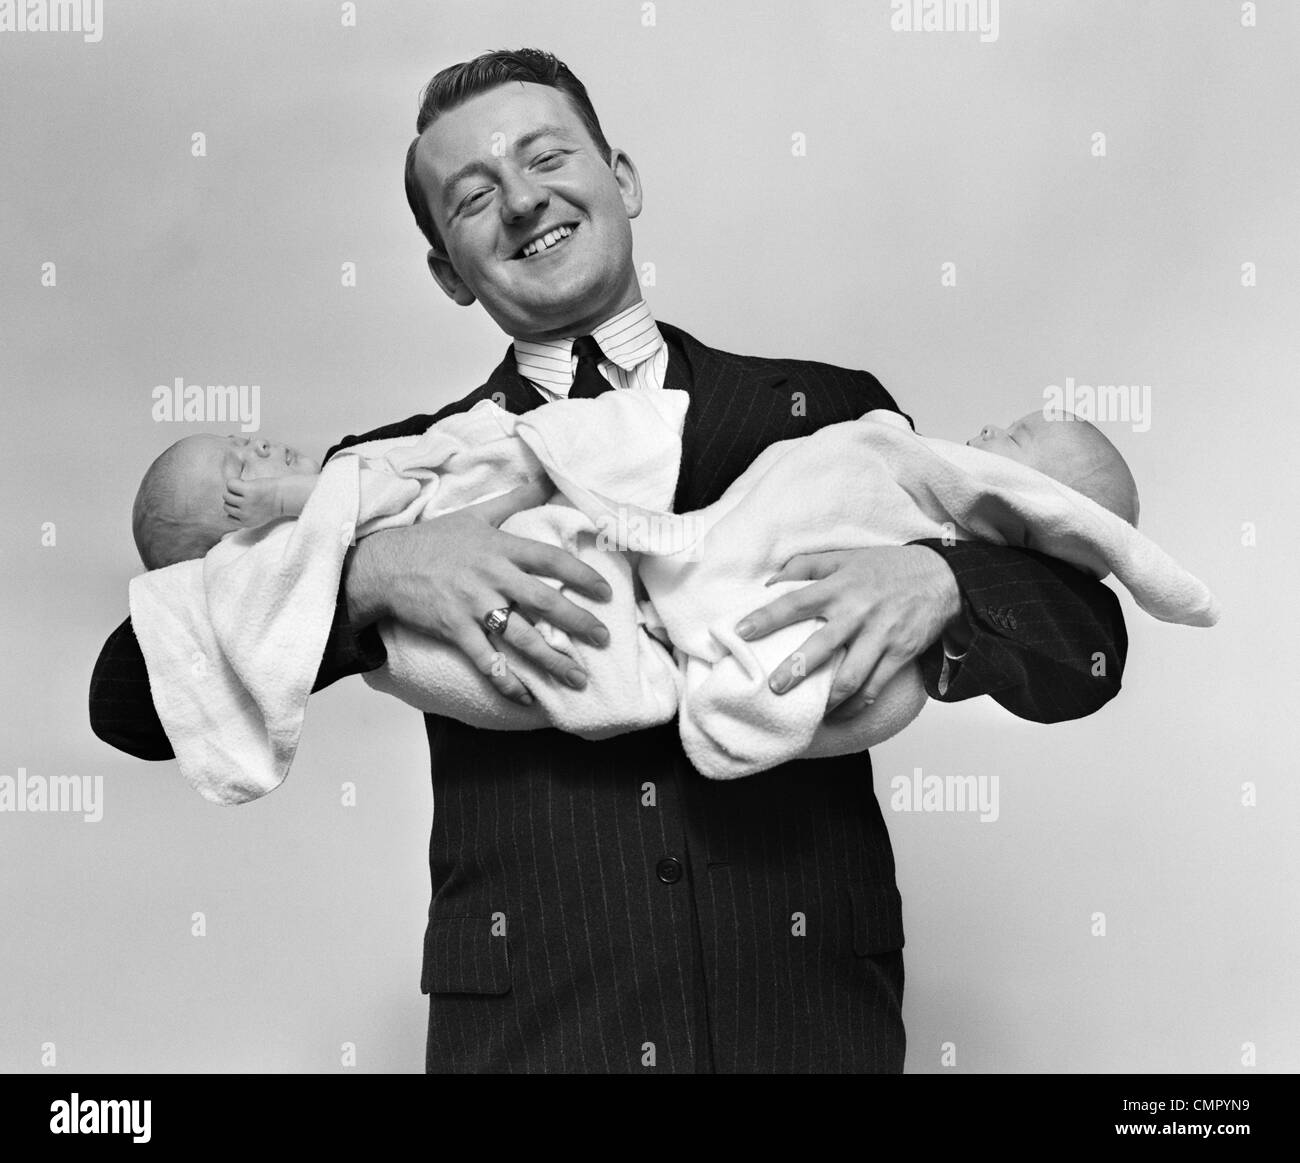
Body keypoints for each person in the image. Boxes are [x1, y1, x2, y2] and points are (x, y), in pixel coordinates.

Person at [90, 49, 1130, 1073]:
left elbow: (1087, 645)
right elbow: (133, 697)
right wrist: (373, 569)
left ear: (621, 179)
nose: (522, 201)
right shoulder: (395, 478)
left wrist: (942, 584)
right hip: (536, 1036)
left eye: (547, 158)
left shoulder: (826, 415)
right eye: (472, 195)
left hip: (806, 1023)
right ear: (450, 272)